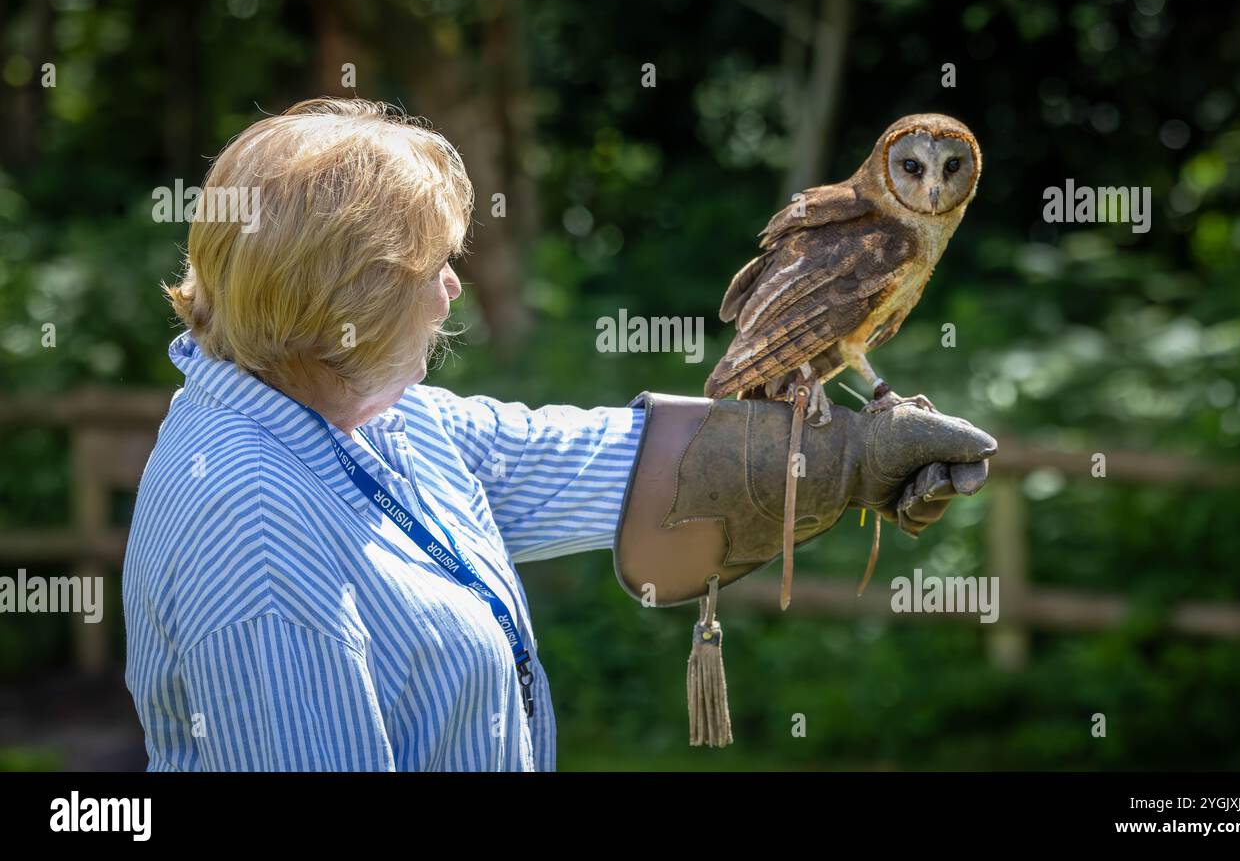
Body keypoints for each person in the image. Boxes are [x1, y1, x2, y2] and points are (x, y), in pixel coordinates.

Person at [122, 97, 996, 771]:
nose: (452, 291)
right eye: (436, 266)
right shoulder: (253, 527)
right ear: (338, 296)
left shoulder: (383, 421)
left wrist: (842, 461)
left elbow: (600, 461)